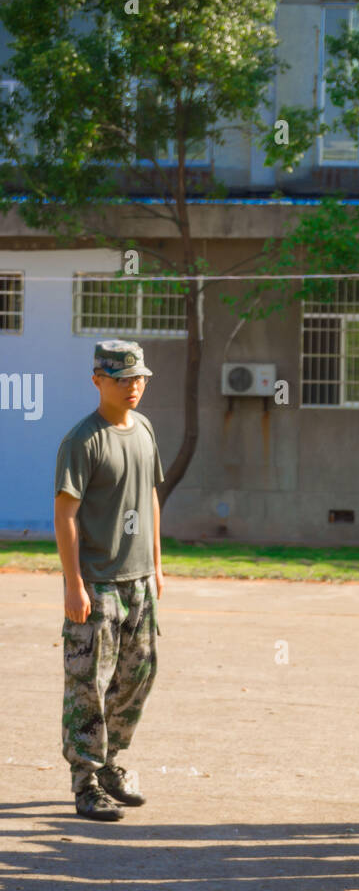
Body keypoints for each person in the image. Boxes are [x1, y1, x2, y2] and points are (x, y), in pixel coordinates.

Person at [54, 340, 164, 821]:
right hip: (97, 583)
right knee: (87, 685)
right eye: (123, 379)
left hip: (138, 581)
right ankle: (85, 781)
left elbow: (152, 498)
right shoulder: (83, 440)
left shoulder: (143, 429)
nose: (133, 386)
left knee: (138, 676)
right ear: (98, 380)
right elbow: (66, 514)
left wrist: (157, 565)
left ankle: (112, 764)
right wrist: (72, 583)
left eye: (139, 378)